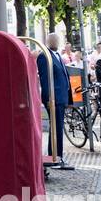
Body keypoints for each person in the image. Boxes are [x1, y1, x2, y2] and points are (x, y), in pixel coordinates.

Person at [36, 33, 70, 165]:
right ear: (48, 41)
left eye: (57, 40)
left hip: (61, 97)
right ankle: (56, 156)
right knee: (56, 127)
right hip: (54, 98)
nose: (56, 42)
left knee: (58, 127)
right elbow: (45, 80)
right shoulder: (44, 56)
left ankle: (55, 155)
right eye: (53, 40)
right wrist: (50, 98)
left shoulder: (57, 55)